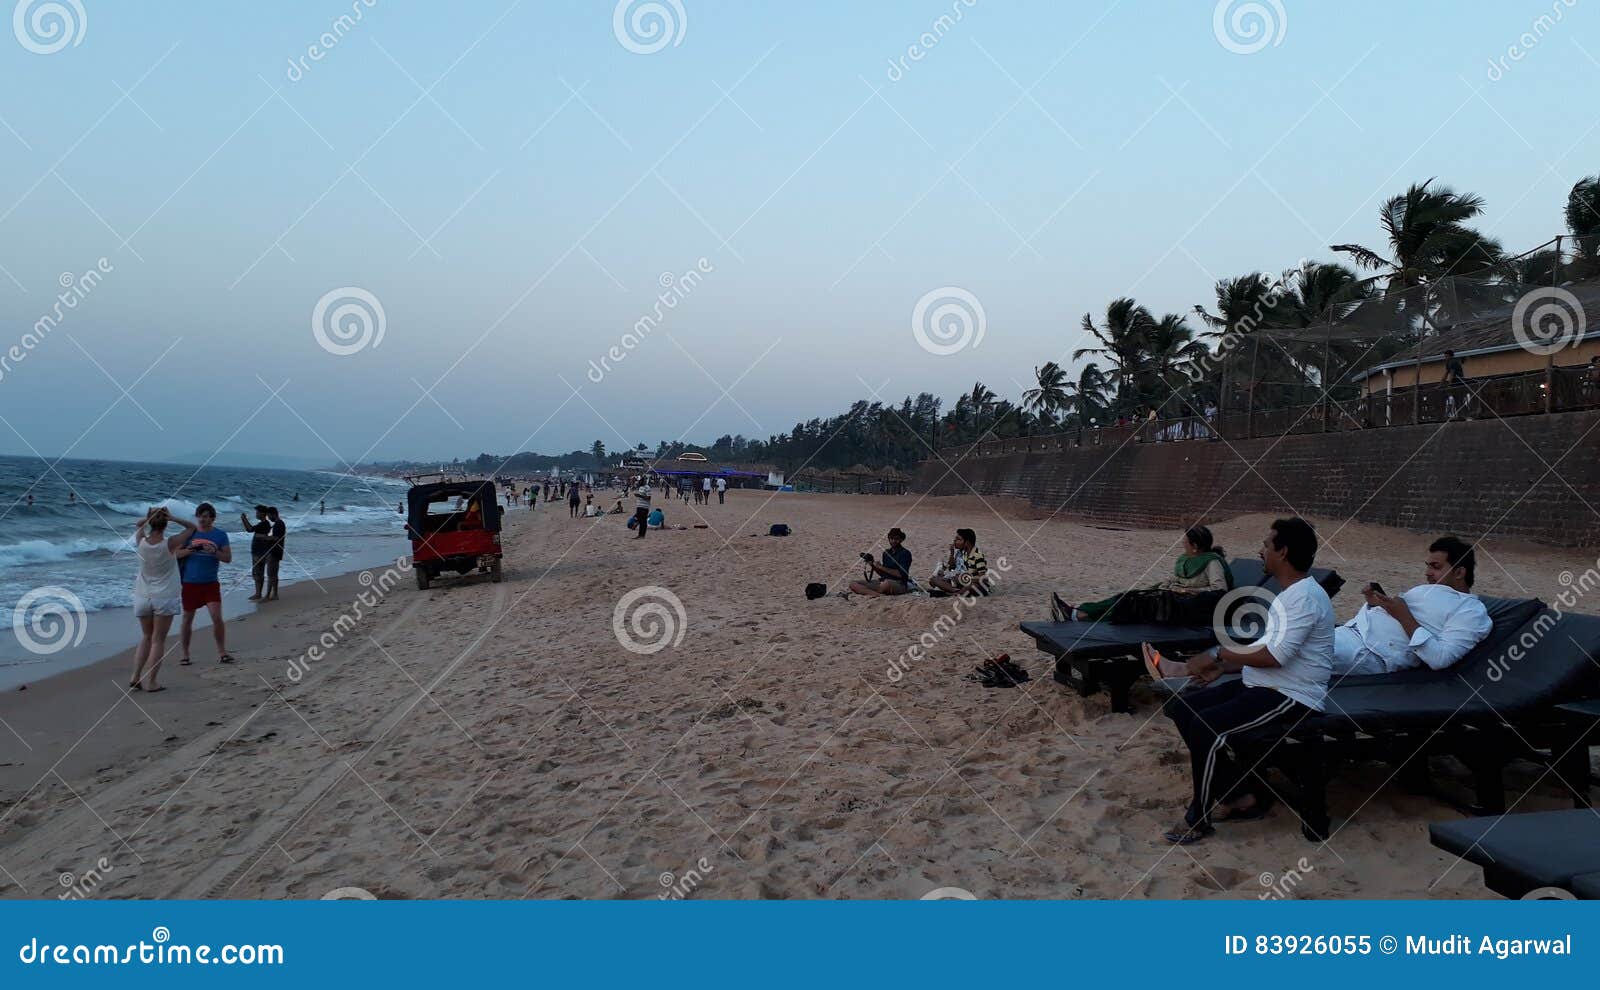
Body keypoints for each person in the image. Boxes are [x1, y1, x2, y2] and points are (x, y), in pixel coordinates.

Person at [1141, 518, 1333, 844]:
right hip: (1262, 684)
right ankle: (1239, 796)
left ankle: (1198, 817)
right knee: (1183, 706)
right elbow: (1265, 651)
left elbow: (1275, 656)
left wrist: (1217, 655)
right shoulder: (1290, 595)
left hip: (1291, 695)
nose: (1261, 552)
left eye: (1266, 545)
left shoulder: (1305, 598)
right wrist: (1225, 668)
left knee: (1206, 725)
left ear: (1283, 552)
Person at [1331, 535, 1491, 676]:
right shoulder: (1424, 590)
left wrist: (1402, 615)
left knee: (1309, 650)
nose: (1427, 572)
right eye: (1427, 566)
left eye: (1436, 567)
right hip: (1347, 632)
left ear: (1459, 573)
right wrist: (1377, 604)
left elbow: (1440, 658)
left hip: (1369, 651)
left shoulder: (1470, 610)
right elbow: (1397, 614)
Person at [1052, 525, 1232, 625]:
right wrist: (1167, 584)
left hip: (1186, 606)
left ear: (1195, 546)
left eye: (1185, 541)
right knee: (1127, 597)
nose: (1182, 543)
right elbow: (1176, 578)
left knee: (1134, 608)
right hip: (1174, 597)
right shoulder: (1188, 559)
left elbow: (1219, 590)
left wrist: (1187, 591)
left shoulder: (1212, 562)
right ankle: (1080, 612)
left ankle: (1080, 615)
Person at [130, 507, 197, 691]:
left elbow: (138, 525)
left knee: (145, 637)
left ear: (150, 522)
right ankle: (151, 682)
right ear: (166, 523)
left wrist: (151, 516)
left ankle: (135, 675)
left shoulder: (141, 541)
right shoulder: (170, 543)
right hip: (164, 596)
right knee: (158, 640)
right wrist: (173, 517)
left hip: (143, 596)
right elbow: (192, 528)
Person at [177, 502, 235, 665]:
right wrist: (192, 550)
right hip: (190, 582)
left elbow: (228, 558)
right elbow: (175, 554)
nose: (202, 519)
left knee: (217, 617)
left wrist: (214, 551)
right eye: (200, 516)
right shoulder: (190, 534)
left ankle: (222, 652)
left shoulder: (220, 535)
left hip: (210, 583)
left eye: (205, 516)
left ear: (212, 518)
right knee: (187, 618)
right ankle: (185, 654)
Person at [848, 528, 913, 597]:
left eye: (896, 539)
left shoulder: (905, 553)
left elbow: (901, 574)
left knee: (886, 584)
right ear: (889, 539)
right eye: (891, 538)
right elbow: (883, 574)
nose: (893, 541)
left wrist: (881, 567)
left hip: (899, 584)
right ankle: (877, 595)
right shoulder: (886, 553)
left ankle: (872, 592)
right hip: (884, 581)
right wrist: (872, 564)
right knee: (853, 583)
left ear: (901, 540)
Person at [928, 528, 990, 597]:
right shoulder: (963, 553)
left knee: (971, 586)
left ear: (967, 542)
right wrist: (952, 553)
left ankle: (950, 593)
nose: (955, 541)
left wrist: (964, 578)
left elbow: (983, 578)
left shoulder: (977, 556)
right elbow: (952, 567)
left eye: (958, 539)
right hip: (962, 583)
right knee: (933, 580)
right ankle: (955, 591)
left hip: (975, 585)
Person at [241, 505, 272, 601]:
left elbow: (249, 529)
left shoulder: (263, 524)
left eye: (258, 512)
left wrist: (244, 519)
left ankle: (258, 593)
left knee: (257, 573)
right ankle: (258, 593)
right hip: (261, 551)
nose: (256, 514)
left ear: (263, 514)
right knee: (259, 573)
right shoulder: (265, 524)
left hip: (259, 552)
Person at [266, 506, 285, 601]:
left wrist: (264, 538)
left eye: (269, 516)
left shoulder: (278, 524)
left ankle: (269, 595)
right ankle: (274, 594)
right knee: (273, 574)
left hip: (274, 551)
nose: (268, 518)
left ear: (273, 514)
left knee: (270, 574)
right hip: (277, 551)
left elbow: (276, 538)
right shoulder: (279, 524)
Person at [1442, 349, 1468, 420]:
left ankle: (1462, 415)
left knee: (1459, 398)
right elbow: (1447, 372)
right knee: (1453, 398)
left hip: (1458, 381)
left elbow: (1452, 373)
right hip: (1454, 382)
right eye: (1445, 356)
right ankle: (1452, 414)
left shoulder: (1453, 361)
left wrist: (1449, 383)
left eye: (1446, 356)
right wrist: (1442, 381)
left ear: (1450, 356)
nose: (1445, 358)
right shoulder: (1447, 362)